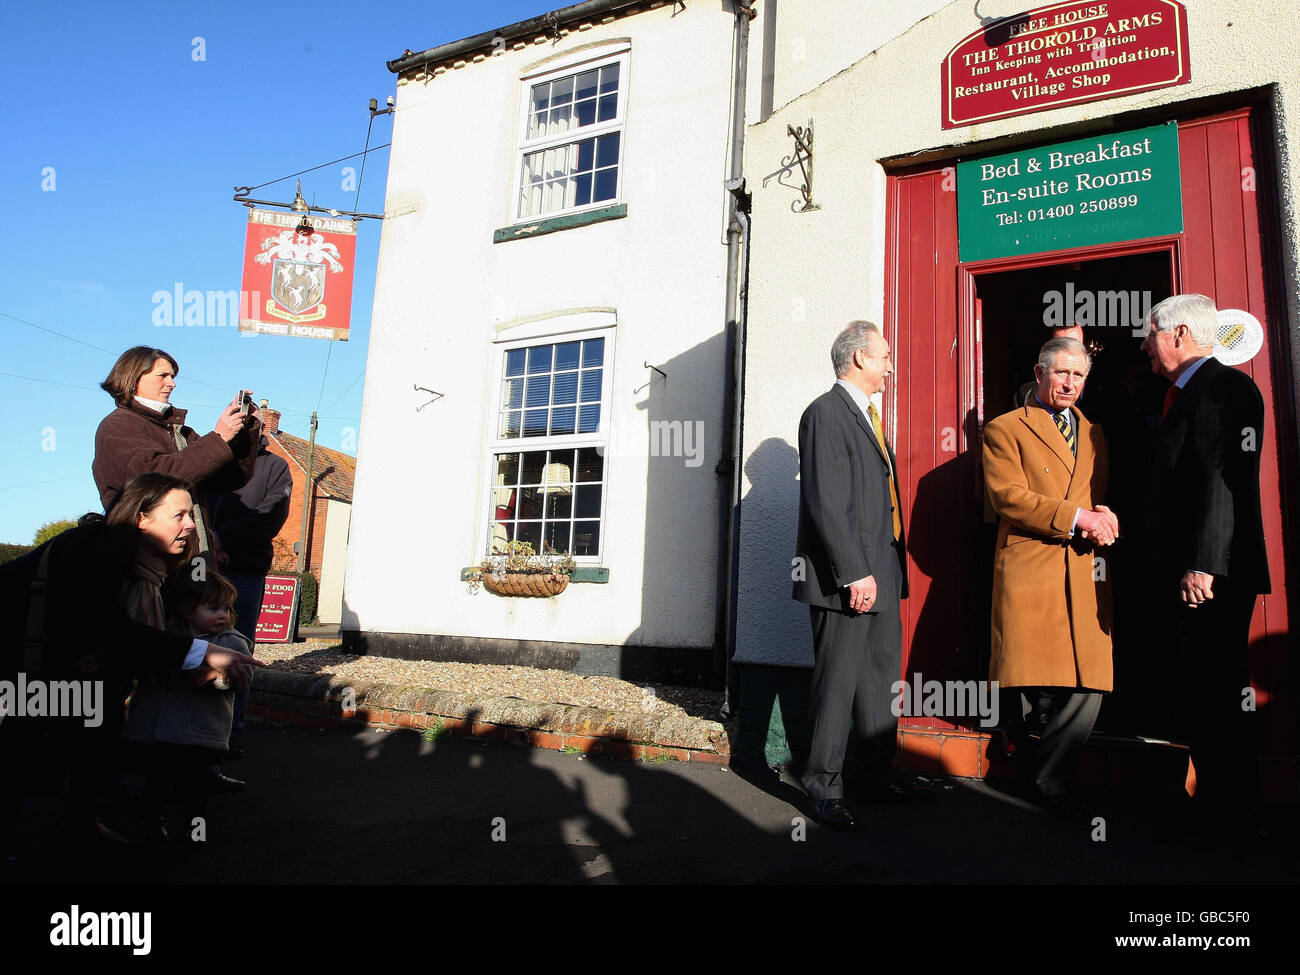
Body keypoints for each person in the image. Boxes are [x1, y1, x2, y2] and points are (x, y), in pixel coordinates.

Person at [0, 473, 262, 854]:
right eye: (179, 515)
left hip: (81, 672)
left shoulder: (156, 567)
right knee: (19, 753)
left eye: (191, 515)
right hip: (22, 662)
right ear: (142, 518)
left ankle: (82, 824)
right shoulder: (91, 548)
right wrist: (197, 653)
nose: (191, 525)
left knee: (95, 736)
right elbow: (104, 625)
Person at [1139, 293, 1269, 835]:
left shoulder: (1221, 388)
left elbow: (1220, 481)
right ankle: (1221, 808)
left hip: (1212, 575)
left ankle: (1227, 815)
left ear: (1179, 335)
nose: (1145, 346)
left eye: (1151, 335)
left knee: (1217, 693)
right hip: (1198, 571)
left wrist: (1204, 566)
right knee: (1204, 691)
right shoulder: (1188, 391)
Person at [982, 337, 1116, 820]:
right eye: (1061, 373)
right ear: (1039, 373)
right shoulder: (1004, 429)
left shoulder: (1094, 433)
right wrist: (1078, 516)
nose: (1070, 383)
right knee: (1028, 675)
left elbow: (1096, 495)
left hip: (1083, 569)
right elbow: (1007, 497)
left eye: (1079, 376)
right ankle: (1020, 747)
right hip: (1031, 567)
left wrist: (1103, 514)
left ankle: (1050, 776)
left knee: (1090, 680)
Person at [792, 320, 915, 830]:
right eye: (885, 355)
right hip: (849, 579)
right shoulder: (825, 413)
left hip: (880, 573)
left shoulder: (868, 415)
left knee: (880, 683)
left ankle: (875, 776)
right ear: (860, 358)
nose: (891, 364)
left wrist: (880, 571)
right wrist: (854, 573)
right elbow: (827, 502)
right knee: (838, 684)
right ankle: (822, 788)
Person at [123, 572, 253, 845]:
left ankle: (194, 831)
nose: (223, 615)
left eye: (227, 609)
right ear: (187, 610)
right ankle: (151, 824)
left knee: (198, 787)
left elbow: (243, 679)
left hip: (200, 730)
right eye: (213, 608)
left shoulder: (231, 641)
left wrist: (215, 679)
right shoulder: (169, 636)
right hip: (161, 729)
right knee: (156, 781)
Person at [92, 346, 260, 557]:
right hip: (142, 558)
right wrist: (219, 438)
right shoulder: (117, 426)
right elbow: (158, 477)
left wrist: (246, 431)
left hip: (190, 561)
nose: (172, 383)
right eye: (162, 375)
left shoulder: (180, 431)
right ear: (133, 378)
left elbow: (229, 478)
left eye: (172, 376)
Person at [211, 432, 292, 758]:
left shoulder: (275, 466)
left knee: (237, 646)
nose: (245, 427)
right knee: (195, 643)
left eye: (252, 422)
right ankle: (196, 736)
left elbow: (270, 517)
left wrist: (222, 539)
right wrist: (209, 545)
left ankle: (230, 735)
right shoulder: (213, 458)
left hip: (244, 569)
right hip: (203, 567)